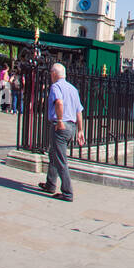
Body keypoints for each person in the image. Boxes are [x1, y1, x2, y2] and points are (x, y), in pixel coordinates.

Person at [38, 62, 83, 201]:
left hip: (61, 126)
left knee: (60, 159)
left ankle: (67, 192)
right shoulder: (73, 89)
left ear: (54, 74)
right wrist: (80, 130)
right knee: (54, 153)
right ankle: (50, 184)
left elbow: (59, 103)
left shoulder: (56, 86)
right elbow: (79, 111)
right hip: (72, 127)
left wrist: (59, 120)